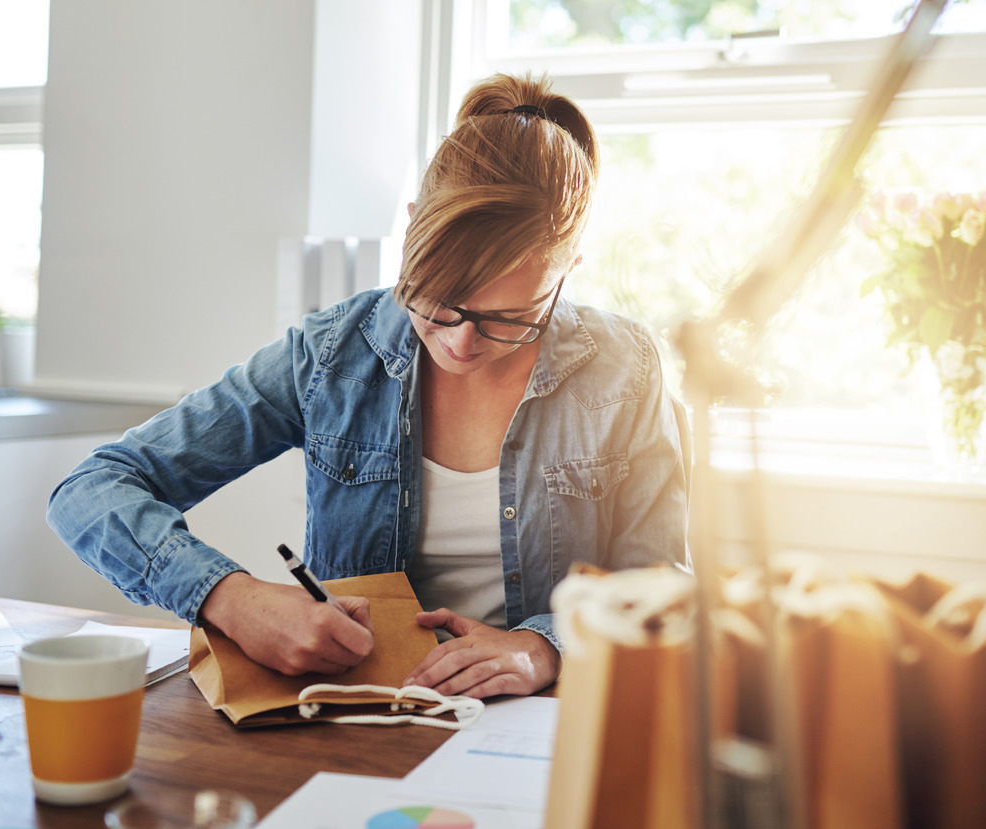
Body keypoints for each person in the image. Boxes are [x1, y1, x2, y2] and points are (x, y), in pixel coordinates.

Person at [46, 73, 690, 700]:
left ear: (568, 268)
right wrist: (229, 597)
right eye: (436, 300)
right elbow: (91, 489)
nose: (460, 343)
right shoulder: (330, 355)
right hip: (356, 717)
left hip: (547, 725)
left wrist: (546, 647)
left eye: (509, 319)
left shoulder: (624, 368)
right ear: (411, 229)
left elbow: (659, 586)